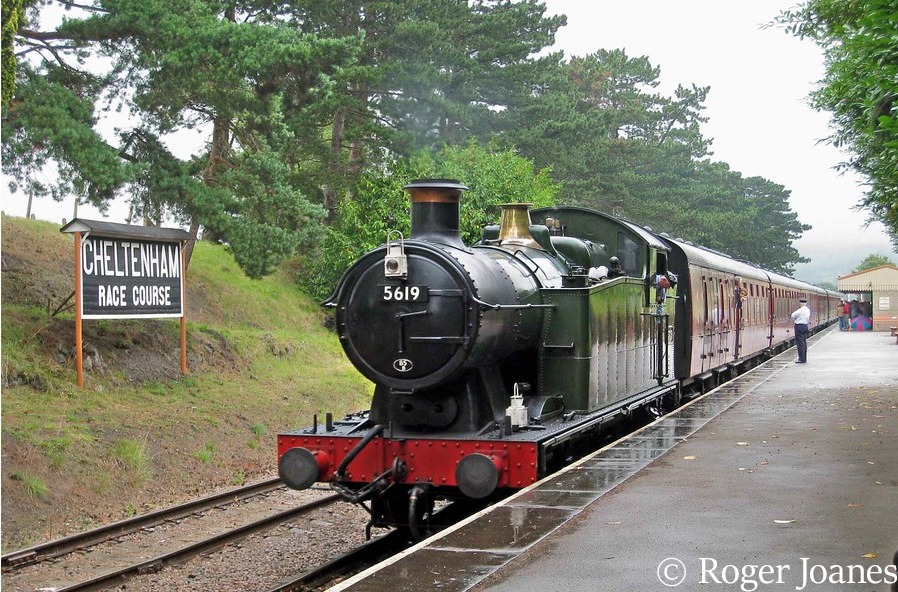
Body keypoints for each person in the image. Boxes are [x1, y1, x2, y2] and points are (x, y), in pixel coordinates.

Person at [791, 297, 810, 363]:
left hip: (799, 326)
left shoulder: (800, 310)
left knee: (800, 343)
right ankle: (804, 358)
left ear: (800, 303)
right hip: (805, 326)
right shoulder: (807, 310)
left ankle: (801, 359)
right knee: (804, 343)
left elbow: (793, 315)